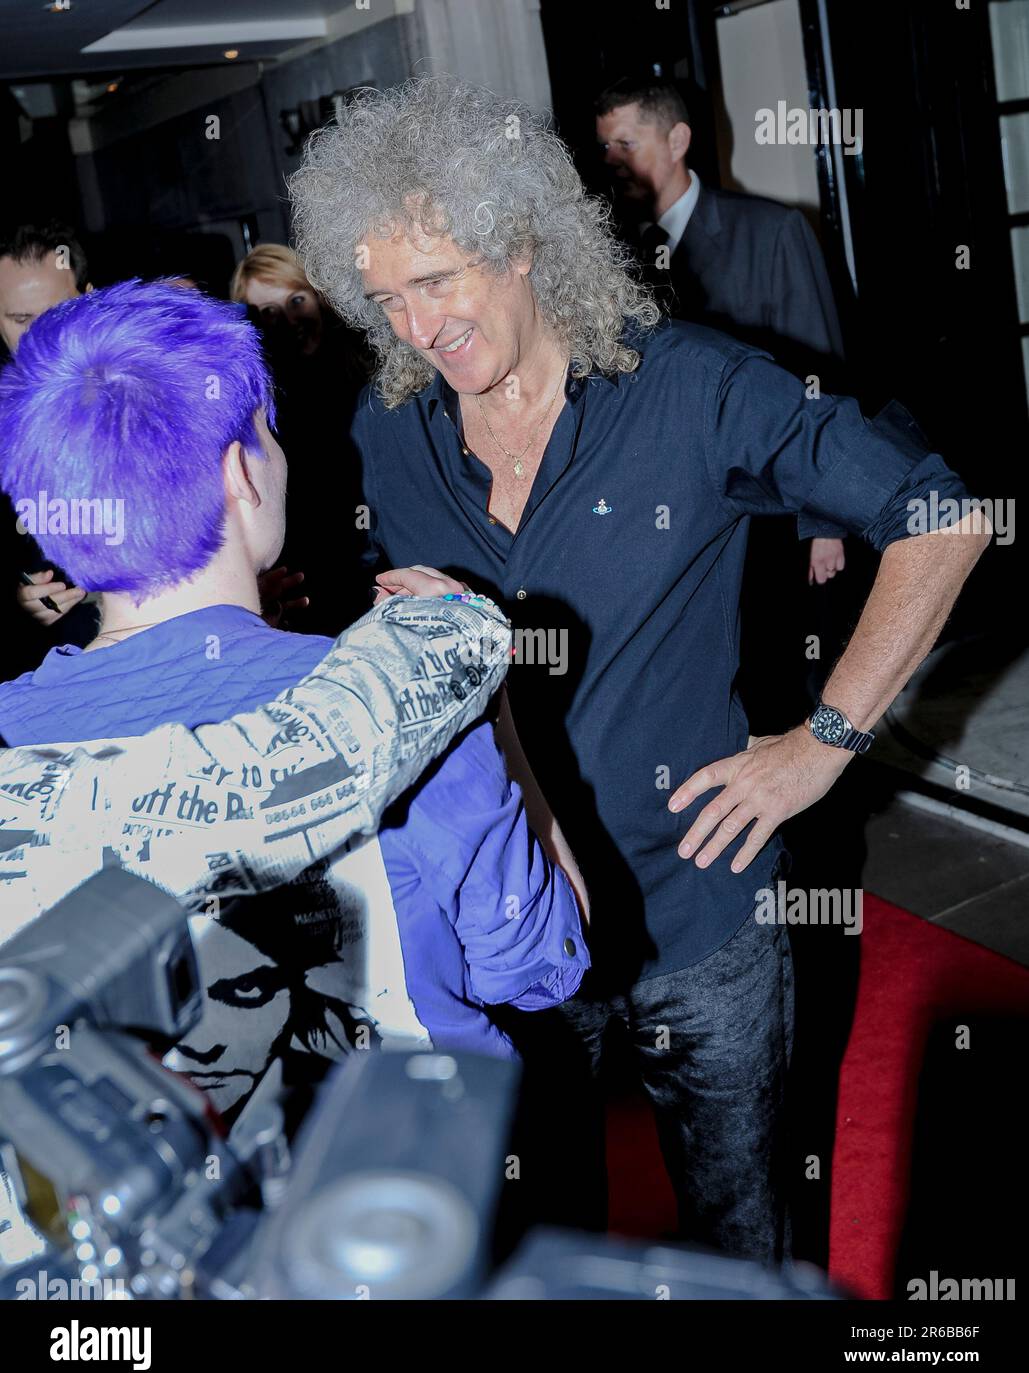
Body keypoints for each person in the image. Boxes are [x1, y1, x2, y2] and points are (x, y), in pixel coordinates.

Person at [288, 77, 990, 1262]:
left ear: (520, 239)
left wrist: (824, 747)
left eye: (439, 278)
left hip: (702, 915)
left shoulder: (694, 388)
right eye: (385, 294)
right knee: (539, 1253)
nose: (416, 326)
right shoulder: (388, 428)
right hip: (512, 934)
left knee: (742, 1245)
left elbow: (943, 517)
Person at [0, 279, 587, 1129]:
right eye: (266, 434)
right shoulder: (395, 698)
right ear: (241, 473)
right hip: (404, 1201)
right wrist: (476, 696)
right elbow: (543, 968)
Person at [595, 76, 853, 733]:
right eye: (605, 147)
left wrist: (822, 519)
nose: (613, 161)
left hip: (771, 513)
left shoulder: (770, 232)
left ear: (678, 140)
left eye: (626, 142)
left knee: (791, 691)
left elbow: (818, 376)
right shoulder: (607, 254)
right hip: (675, 518)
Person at [230, 243, 372, 636]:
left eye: (296, 299)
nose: (290, 320)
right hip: (304, 600)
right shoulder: (255, 412)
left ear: (318, 297)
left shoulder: (373, 382)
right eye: (269, 312)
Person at [0, 222, 100, 669]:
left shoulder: (147, 388)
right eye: (21, 320)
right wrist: (13, 602)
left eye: (55, 314)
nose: (40, 335)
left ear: (90, 297)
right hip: (45, 675)